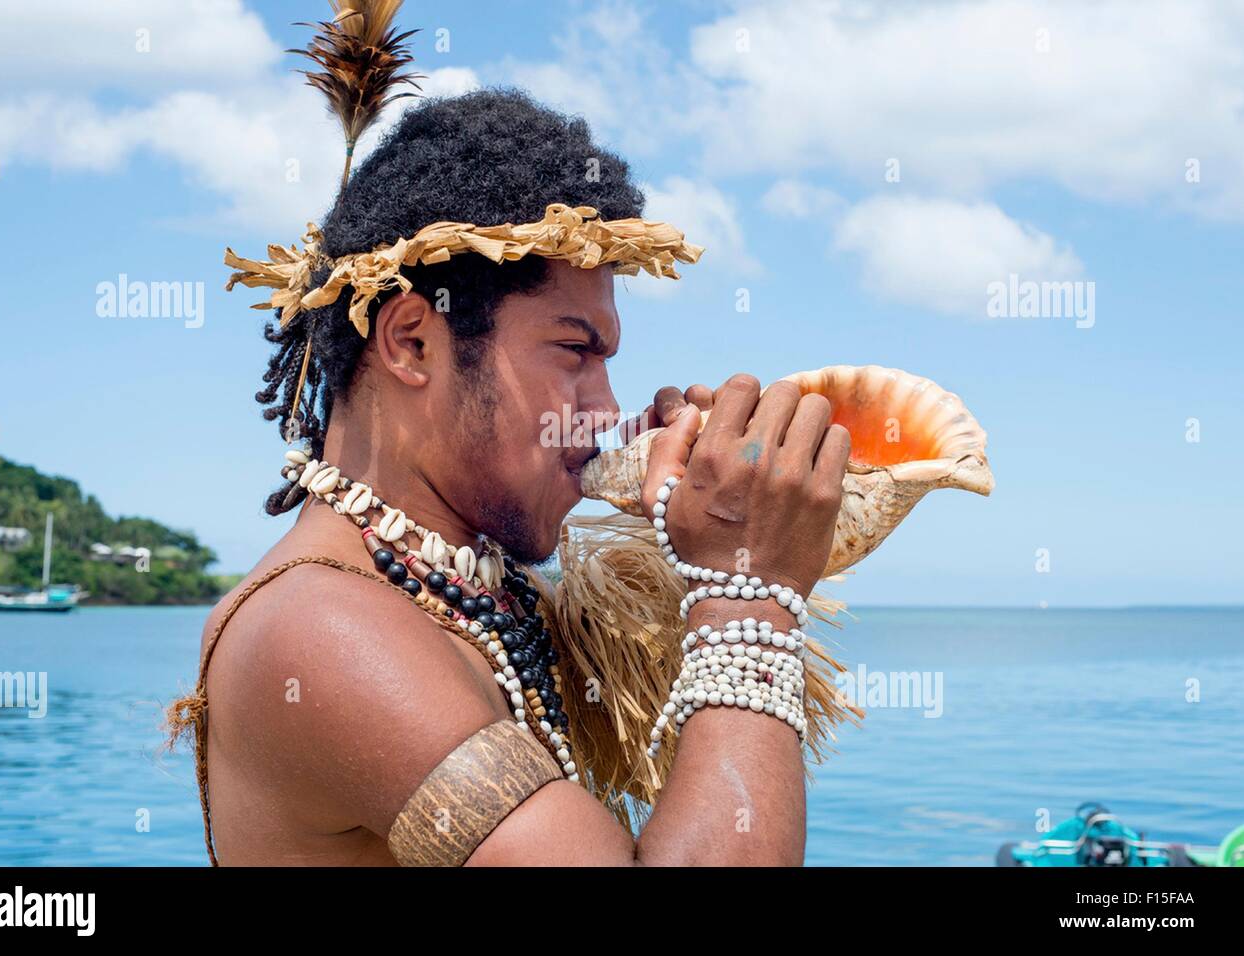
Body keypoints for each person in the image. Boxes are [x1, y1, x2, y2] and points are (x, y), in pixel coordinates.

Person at [166, 86, 849, 867]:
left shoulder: (471, 598)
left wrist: (690, 514)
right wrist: (745, 591)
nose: (604, 410)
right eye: (573, 352)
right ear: (413, 342)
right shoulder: (322, 631)